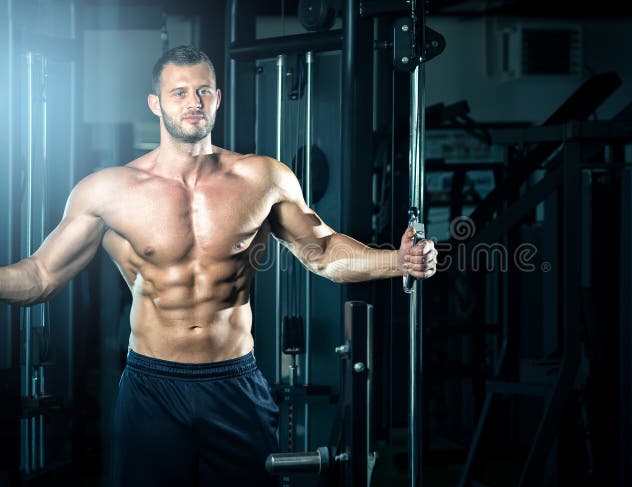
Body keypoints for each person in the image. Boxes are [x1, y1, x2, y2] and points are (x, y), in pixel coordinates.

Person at [0, 45, 437, 486]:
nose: (193, 102)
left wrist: (398, 260)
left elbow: (321, 252)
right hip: (153, 386)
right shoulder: (108, 191)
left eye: (203, 91)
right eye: (179, 93)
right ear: (155, 103)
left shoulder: (263, 178)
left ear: (218, 98)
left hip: (234, 382)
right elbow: (40, 276)